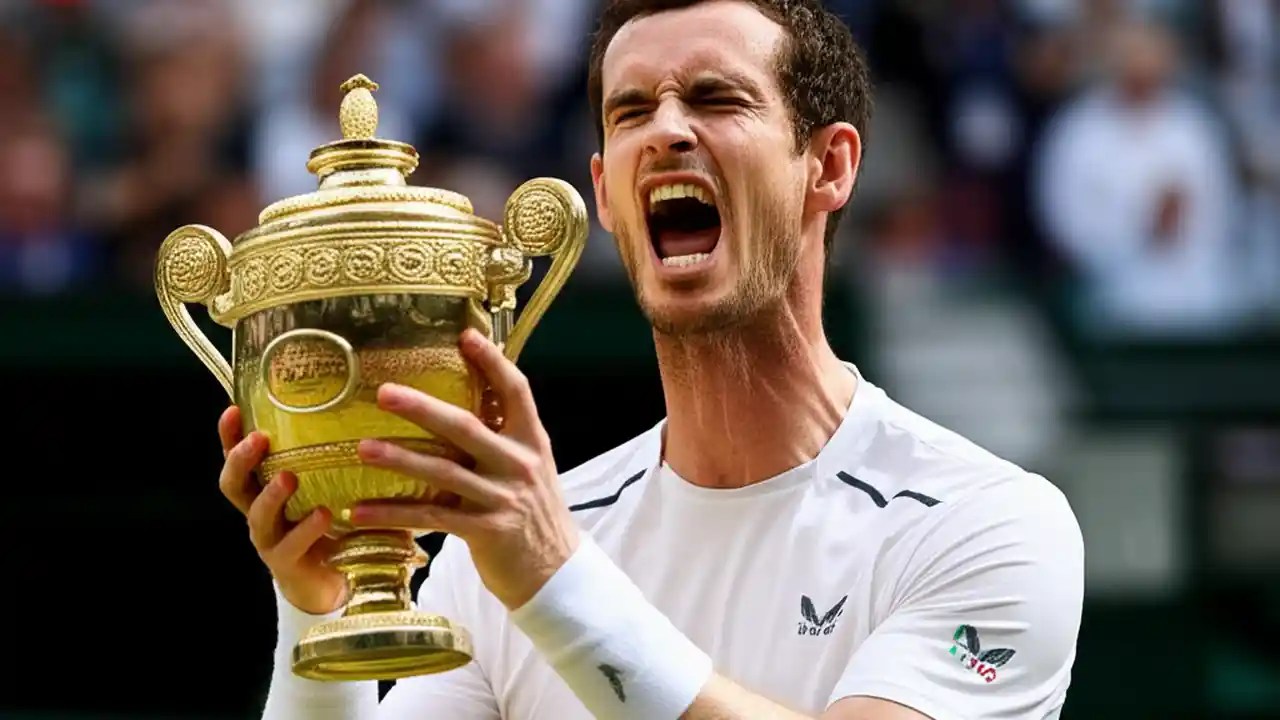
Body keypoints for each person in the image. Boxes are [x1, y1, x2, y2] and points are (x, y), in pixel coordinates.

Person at [218, 1, 1084, 718]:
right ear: (603, 191)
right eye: (632, 111)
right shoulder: (507, 553)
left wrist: (556, 581)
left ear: (830, 165)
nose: (667, 131)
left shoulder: (989, 524)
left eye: (716, 99)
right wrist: (313, 612)